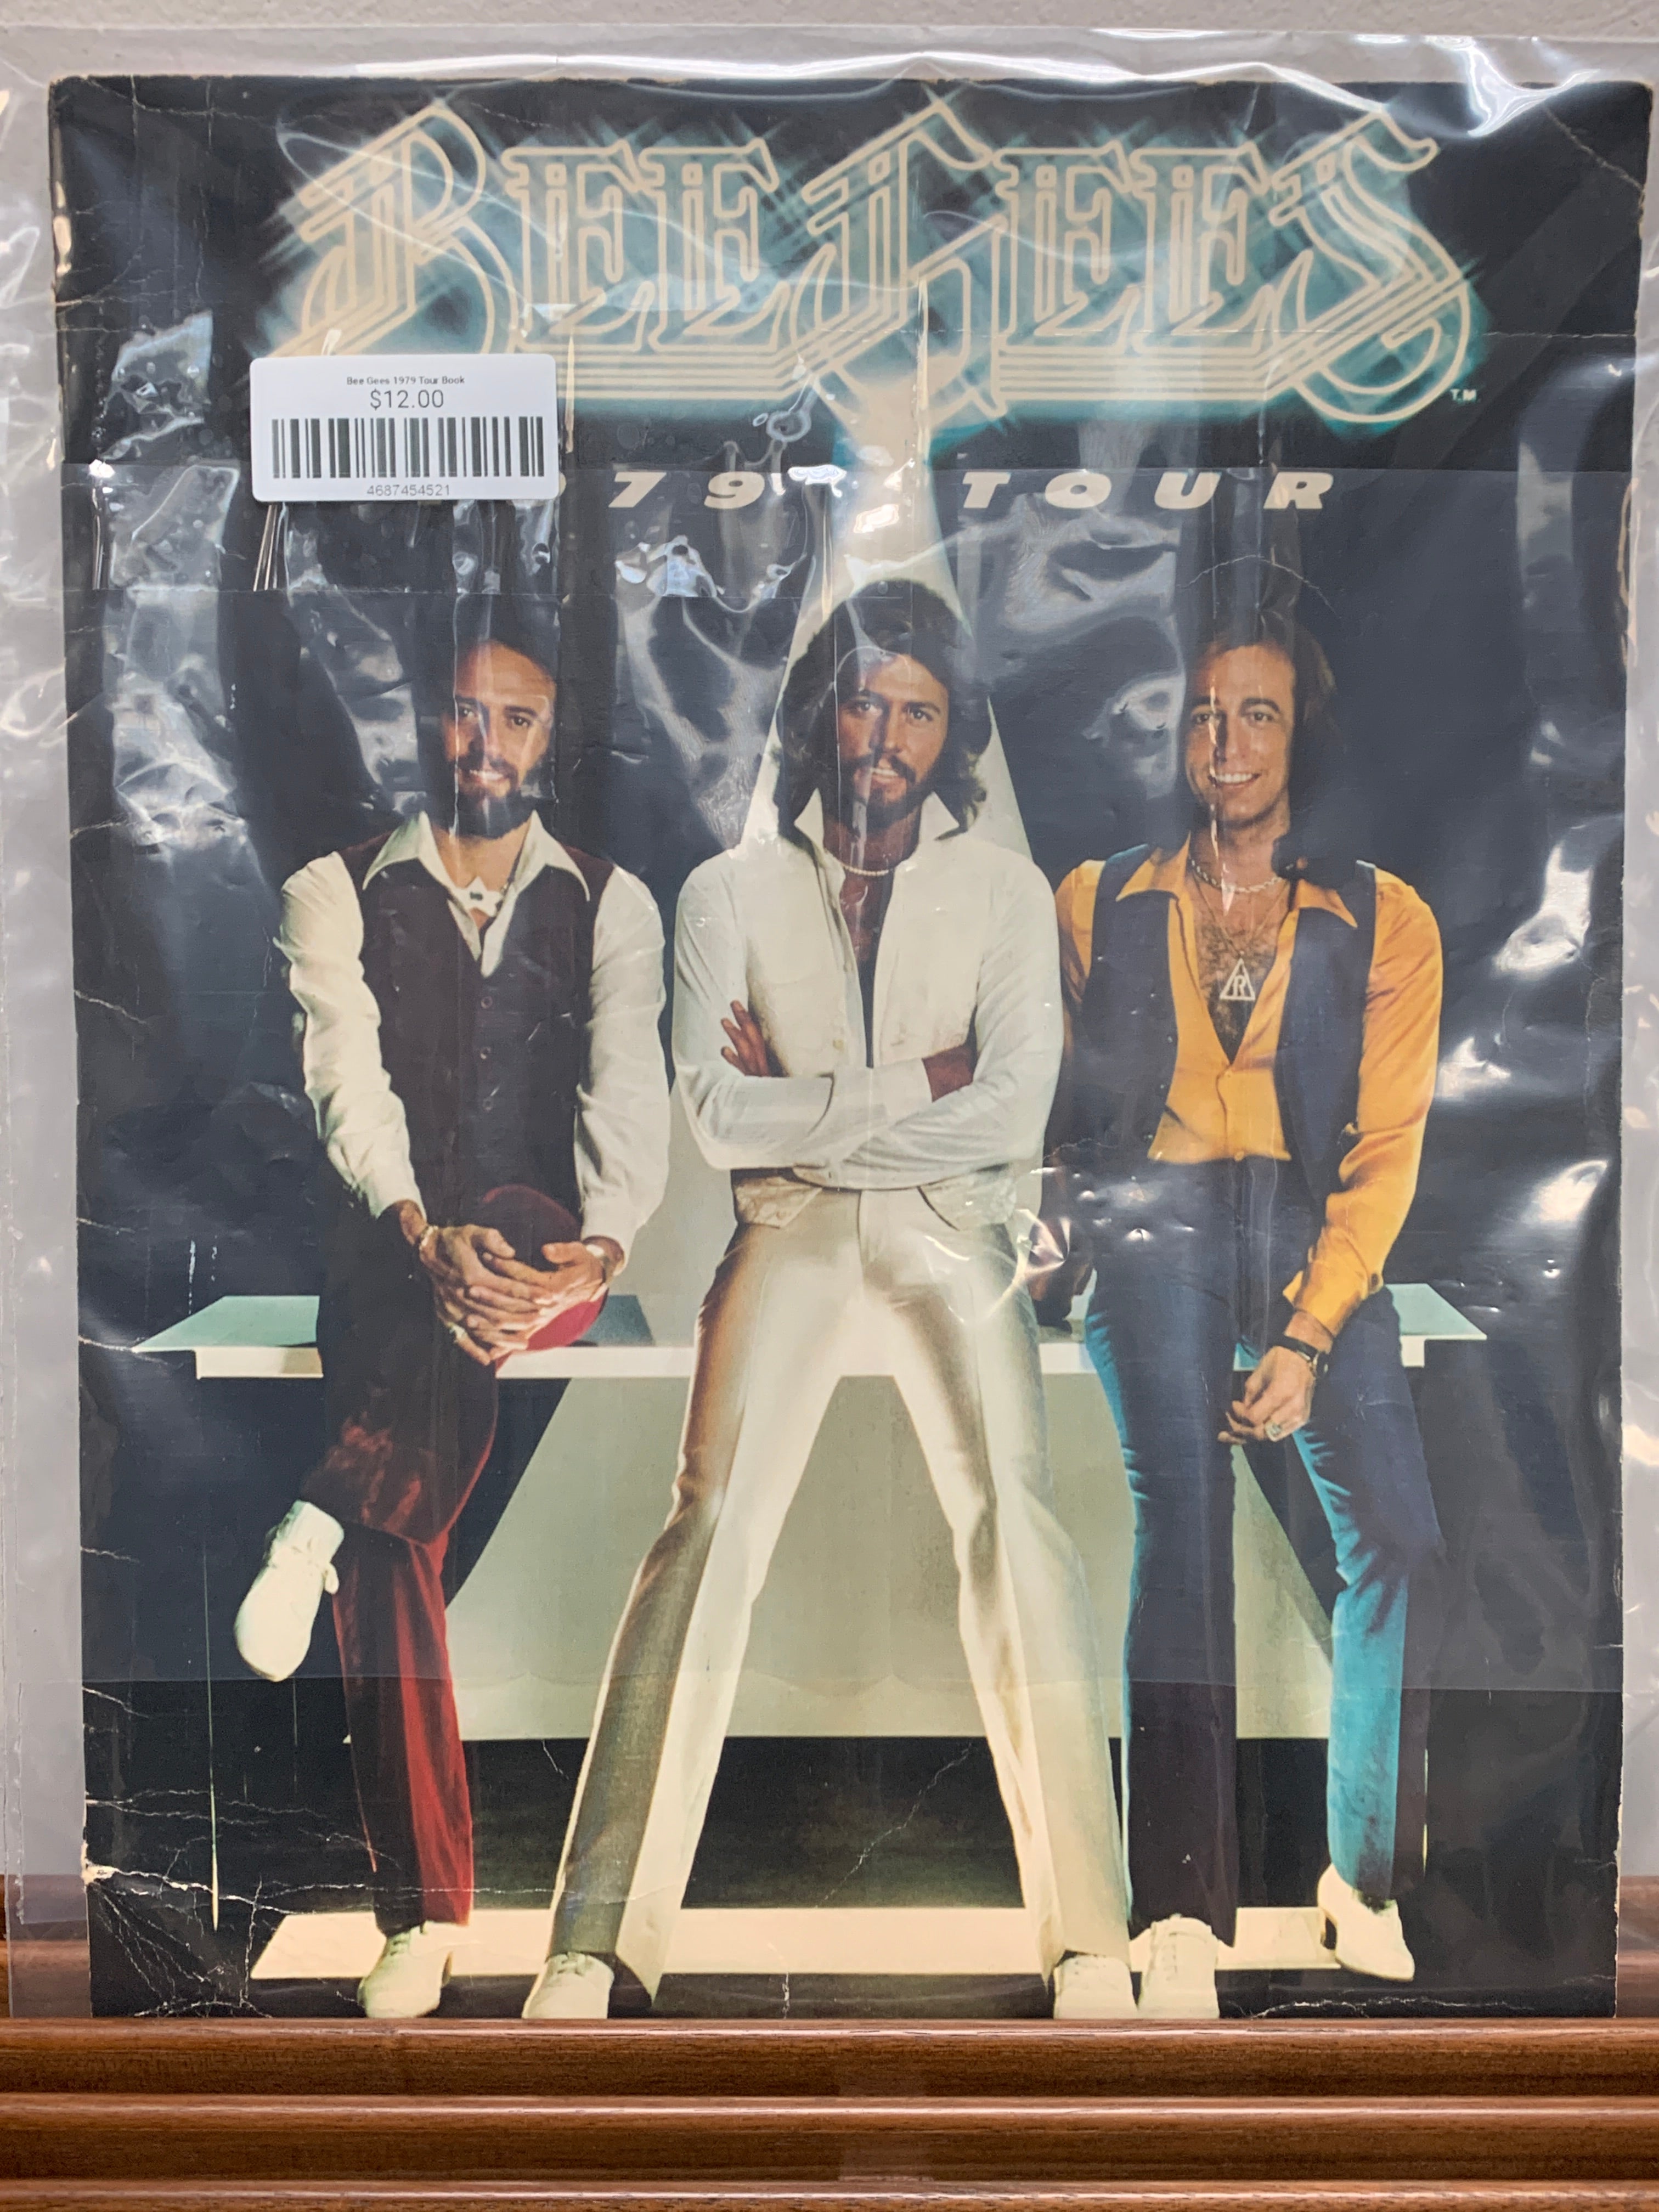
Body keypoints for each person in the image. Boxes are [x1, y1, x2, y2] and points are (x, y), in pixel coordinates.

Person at [520, 579, 1134, 2021]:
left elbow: (1011, 1110)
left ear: (949, 731)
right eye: (866, 702)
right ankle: (597, 1938)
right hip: (786, 1230)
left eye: (919, 711)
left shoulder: (1002, 892)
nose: (888, 736)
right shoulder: (726, 891)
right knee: (706, 1525)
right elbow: (716, 1119)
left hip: (950, 1233)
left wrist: (817, 1109)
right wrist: (914, 1084)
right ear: (822, 716)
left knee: (1017, 1526)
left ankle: (1090, 1936)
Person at [232, 597, 671, 2019]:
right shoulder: (331, 890)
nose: (488, 741)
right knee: (392, 1555)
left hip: (550, 1269)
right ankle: (418, 1918)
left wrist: (601, 1252)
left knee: (522, 1220)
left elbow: (629, 1096)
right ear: (427, 724)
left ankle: (322, 1502)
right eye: (466, 712)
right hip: (390, 1255)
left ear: (551, 738)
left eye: (517, 718)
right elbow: (344, 1081)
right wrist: (421, 1231)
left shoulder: (611, 901)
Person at [1037, 604, 1446, 2018]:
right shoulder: (1098, 898)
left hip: (1306, 1237)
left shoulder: (1384, 916)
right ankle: (1176, 1908)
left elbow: (1386, 1153)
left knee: (1398, 1536)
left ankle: (1362, 1879)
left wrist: (1311, 1331)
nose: (1228, 740)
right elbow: (1049, 1096)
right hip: (1152, 1227)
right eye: (1207, 712)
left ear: (1300, 734)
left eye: (1258, 713)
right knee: (1187, 1515)